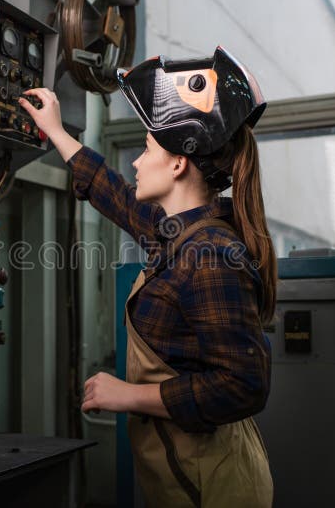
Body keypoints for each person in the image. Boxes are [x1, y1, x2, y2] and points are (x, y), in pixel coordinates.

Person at [19, 46, 275, 508]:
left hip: (216, 487)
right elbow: (115, 194)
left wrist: (130, 395)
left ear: (178, 164)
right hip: (187, 475)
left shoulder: (211, 254)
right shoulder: (179, 234)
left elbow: (243, 386)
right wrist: (55, 131)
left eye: (147, 149)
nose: (136, 162)